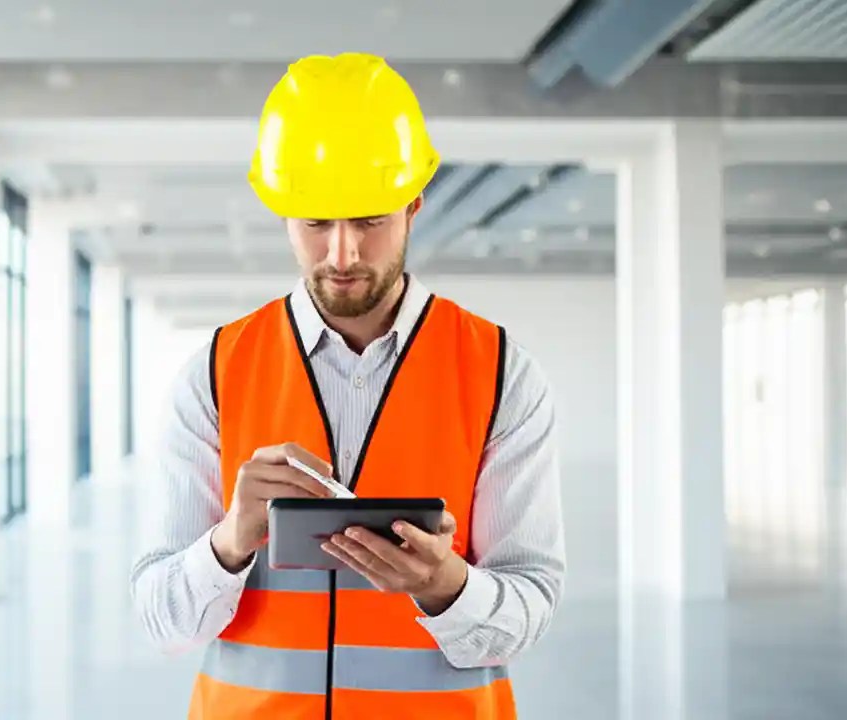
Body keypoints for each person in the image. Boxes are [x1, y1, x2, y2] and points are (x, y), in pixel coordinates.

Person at [130, 52, 565, 719]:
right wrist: (231, 539)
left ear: (413, 204)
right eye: (315, 223)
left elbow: (530, 607)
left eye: (368, 220)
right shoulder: (215, 372)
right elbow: (162, 621)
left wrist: (447, 586)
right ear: (281, 213)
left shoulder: (502, 372)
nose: (342, 256)